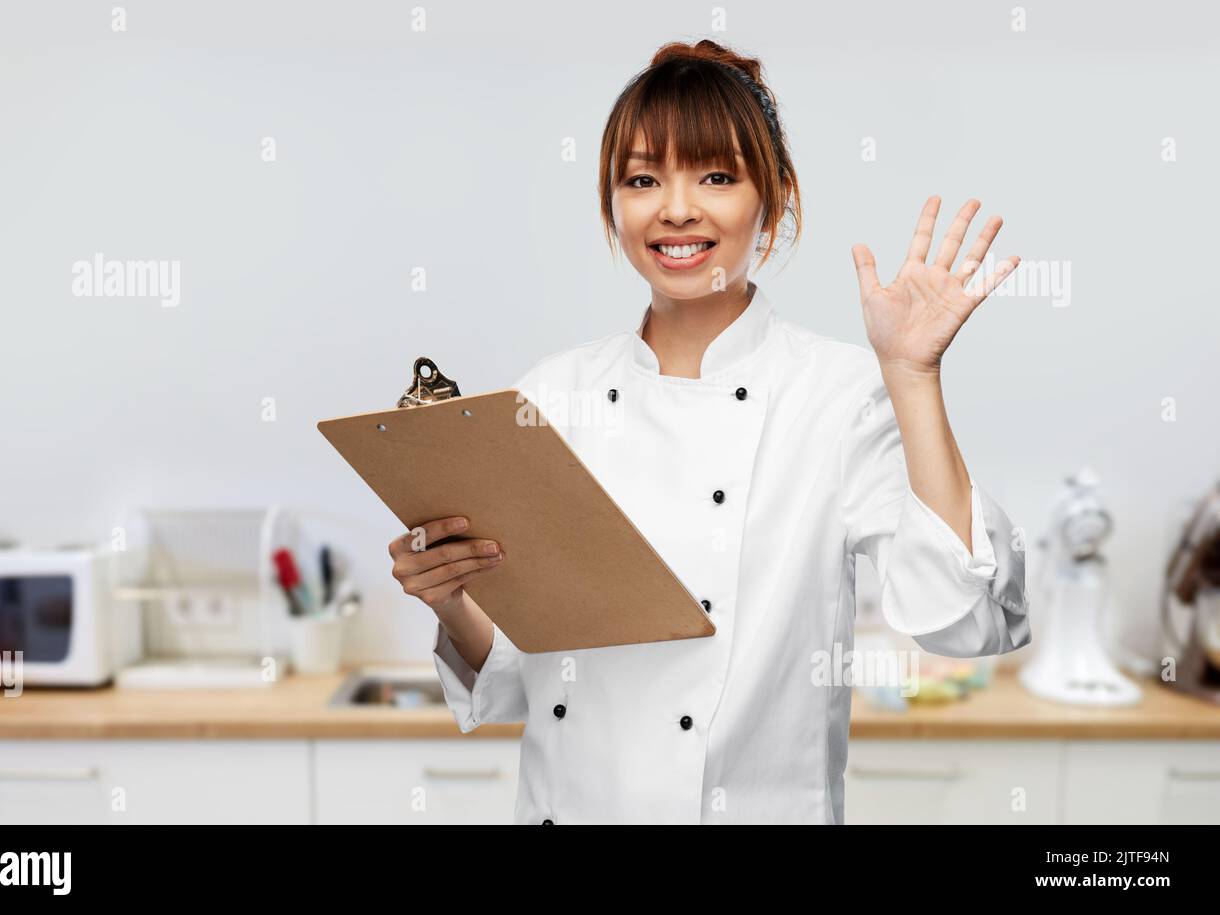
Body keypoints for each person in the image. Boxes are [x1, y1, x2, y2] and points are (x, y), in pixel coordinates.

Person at [387, 39, 1030, 824]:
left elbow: (963, 620)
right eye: (642, 179)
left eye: (716, 176)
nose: (676, 209)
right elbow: (521, 680)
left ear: (777, 197)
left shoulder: (838, 396)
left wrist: (913, 376)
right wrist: (451, 596)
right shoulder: (552, 394)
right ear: (611, 204)